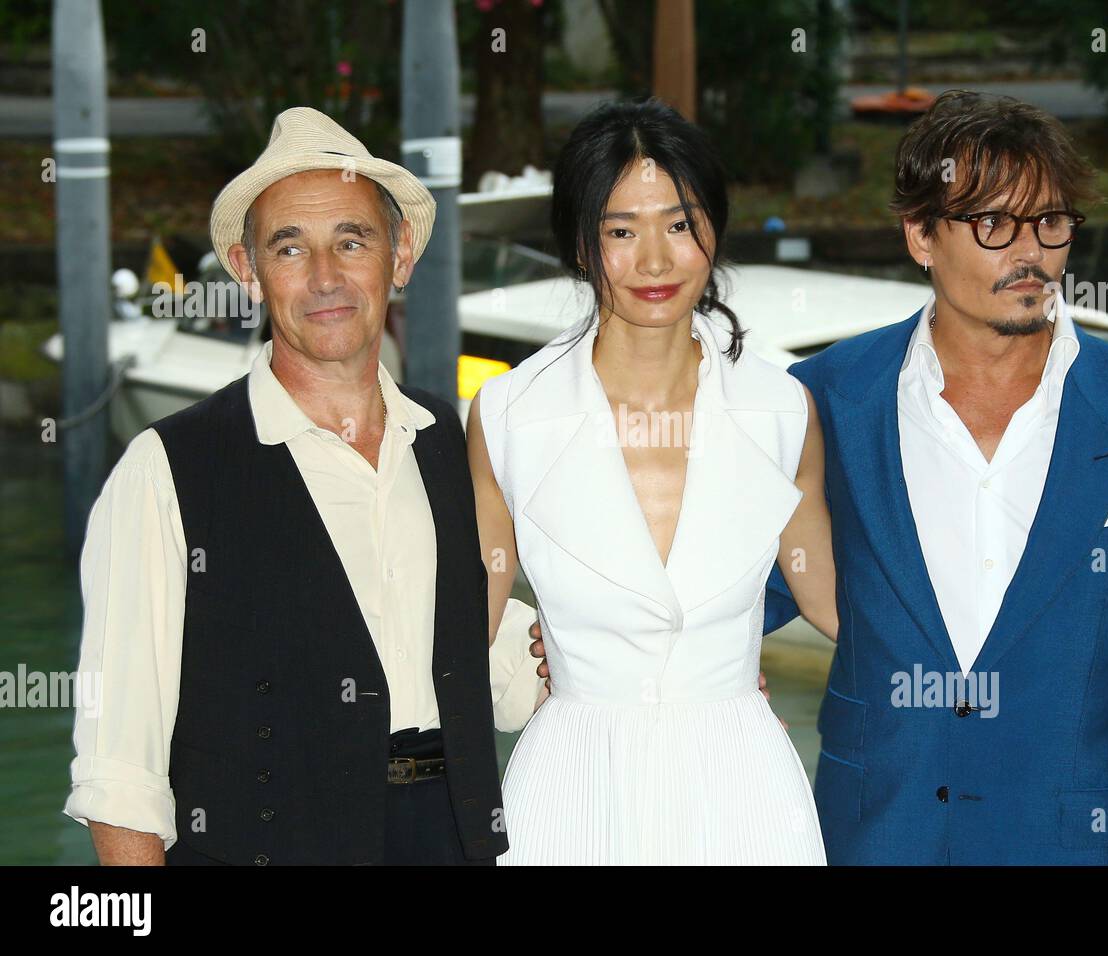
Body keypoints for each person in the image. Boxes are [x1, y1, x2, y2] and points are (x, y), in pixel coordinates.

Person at [63, 107, 544, 866]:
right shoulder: (166, 471)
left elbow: (481, 648)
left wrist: (672, 668)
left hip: (452, 839)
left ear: (401, 255)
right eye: (290, 247)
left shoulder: (443, 442)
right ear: (248, 271)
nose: (326, 276)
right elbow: (119, 772)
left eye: (352, 240)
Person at [765, 91, 1108, 864]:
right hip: (875, 839)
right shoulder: (827, 400)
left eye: (1050, 222)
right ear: (920, 235)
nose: (1031, 255)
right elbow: (739, 592)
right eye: (992, 225)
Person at [467, 98, 837, 864]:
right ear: (579, 244)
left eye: (680, 223)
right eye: (621, 231)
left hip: (742, 780)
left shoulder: (781, 408)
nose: (657, 261)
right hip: (572, 780)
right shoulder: (508, 415)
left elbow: (835, 602)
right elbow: (462, 618)